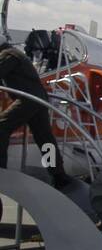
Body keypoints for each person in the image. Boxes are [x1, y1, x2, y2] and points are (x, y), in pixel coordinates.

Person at [0, 36, 70, 187]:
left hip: (28, 100)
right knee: (44, 138)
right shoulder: (14, 54)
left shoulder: (8, 55)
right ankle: (58, 174)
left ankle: (1, 170)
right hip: (38, 99)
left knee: (1, 126)